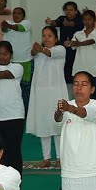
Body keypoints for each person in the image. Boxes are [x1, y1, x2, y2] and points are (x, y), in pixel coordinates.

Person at [0, 41, 26, 175]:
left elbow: (7, 74)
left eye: (5, 54)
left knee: (14, 151)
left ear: (11, 55)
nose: (2, 57)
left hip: (15, 116)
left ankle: (15, 182)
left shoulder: (18, 67)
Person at [28, 26, 68, 168]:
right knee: (43, 124)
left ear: (56, 38)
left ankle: (60, 158)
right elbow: (33, 53)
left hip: (56, 92)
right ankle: (46, 158)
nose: (46, 38)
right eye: (44, 35)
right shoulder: (38, 53)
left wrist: (40, 49)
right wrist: (35, 50)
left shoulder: (60, 49)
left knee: (57, 125)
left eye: (49, 35)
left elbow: (49, 53)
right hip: (40, 93)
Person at [0, 6, 34, 111]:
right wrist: (6, 25)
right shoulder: (8, 23)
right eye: (14, 13)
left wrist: (8, 25)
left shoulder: (27, 23)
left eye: (19, 13)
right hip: (12, 62)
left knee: (26, 88)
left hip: (26, 61)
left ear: (23, 16)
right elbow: (3, 28)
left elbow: (20, 28)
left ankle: (27, 113)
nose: (16, 15)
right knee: (13, 88)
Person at [69, 9, 96, 98]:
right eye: (85, 19)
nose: (87, 22)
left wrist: (79, 43)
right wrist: (70, 43)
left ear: (94, 20)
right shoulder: (77, 34)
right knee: (79, 98)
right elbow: (73, 44)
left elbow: (91, 41)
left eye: (89, 19)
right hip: (79, 70)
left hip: (95, 71)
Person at [46, 1, 83, 80]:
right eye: (66, 10)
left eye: (71, 10)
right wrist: (50, 22)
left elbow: (74, 24)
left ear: (76, 11)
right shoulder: (62, 18)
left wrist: (68, 23)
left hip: (76, 48)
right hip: (63, 47)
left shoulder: (80, 19)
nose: (68, 12)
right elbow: (55, 23)